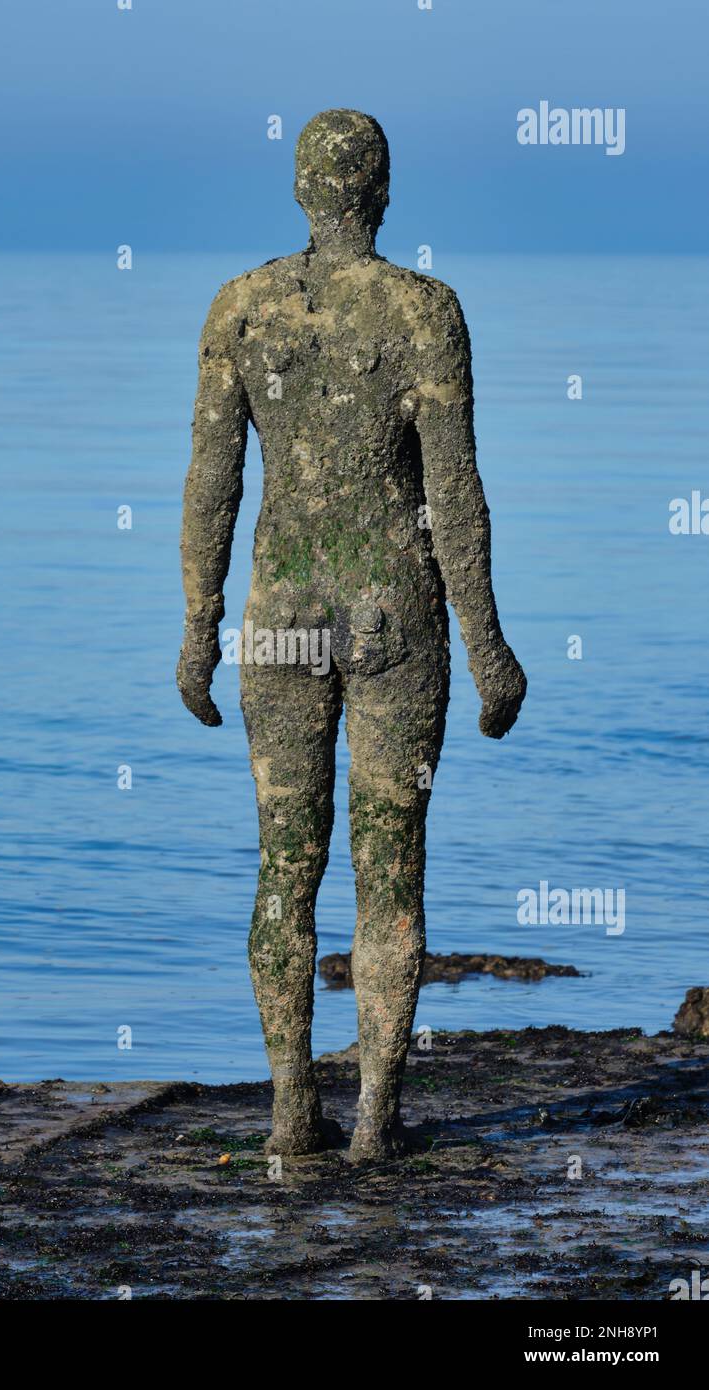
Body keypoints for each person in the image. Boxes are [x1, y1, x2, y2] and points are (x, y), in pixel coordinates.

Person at [177, 109, 526, 1161]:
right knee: (391, 868)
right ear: (381, 193)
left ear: (299, 191)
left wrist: (196, 629)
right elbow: (453, 496)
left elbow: (210, 487)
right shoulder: (424, 310)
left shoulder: (238, 310)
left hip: (278, 618)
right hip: (392, 612)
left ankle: (291, 1113)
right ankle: (373, 1121)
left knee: (284, 863)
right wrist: (488, 647)